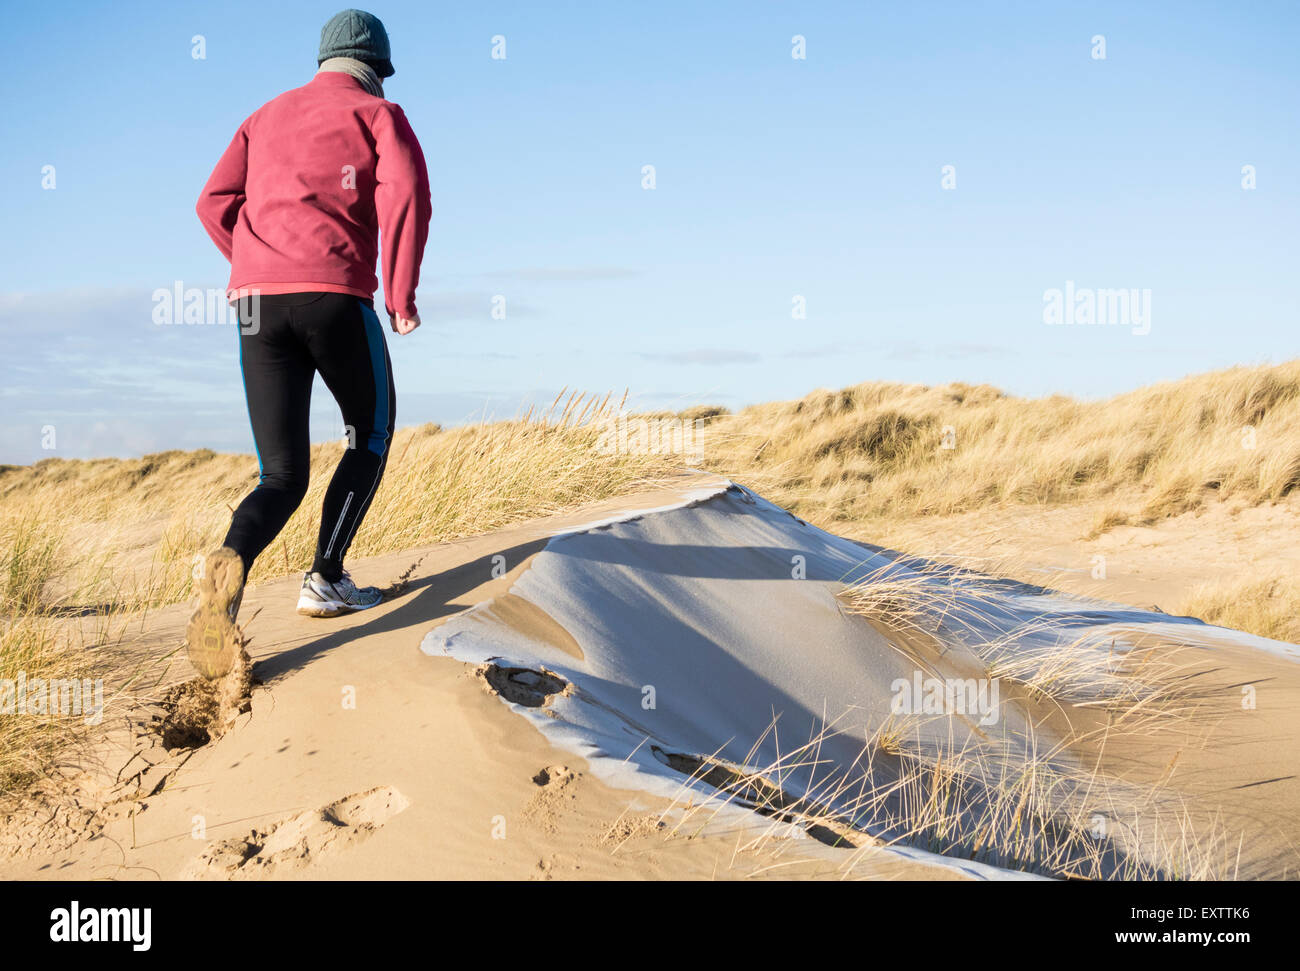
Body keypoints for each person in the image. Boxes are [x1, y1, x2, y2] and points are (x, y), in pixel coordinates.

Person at [189, 8, 432, 679]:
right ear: (376, 69)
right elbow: (409, 196)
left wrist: (254, 262)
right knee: (369, 433)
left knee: (281, 474)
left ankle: (225, 585)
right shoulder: (381, 115)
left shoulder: (263, 116)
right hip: (332, 295)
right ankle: (325, 577)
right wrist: (400, 296)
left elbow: (213, 202)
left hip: (254, 304)